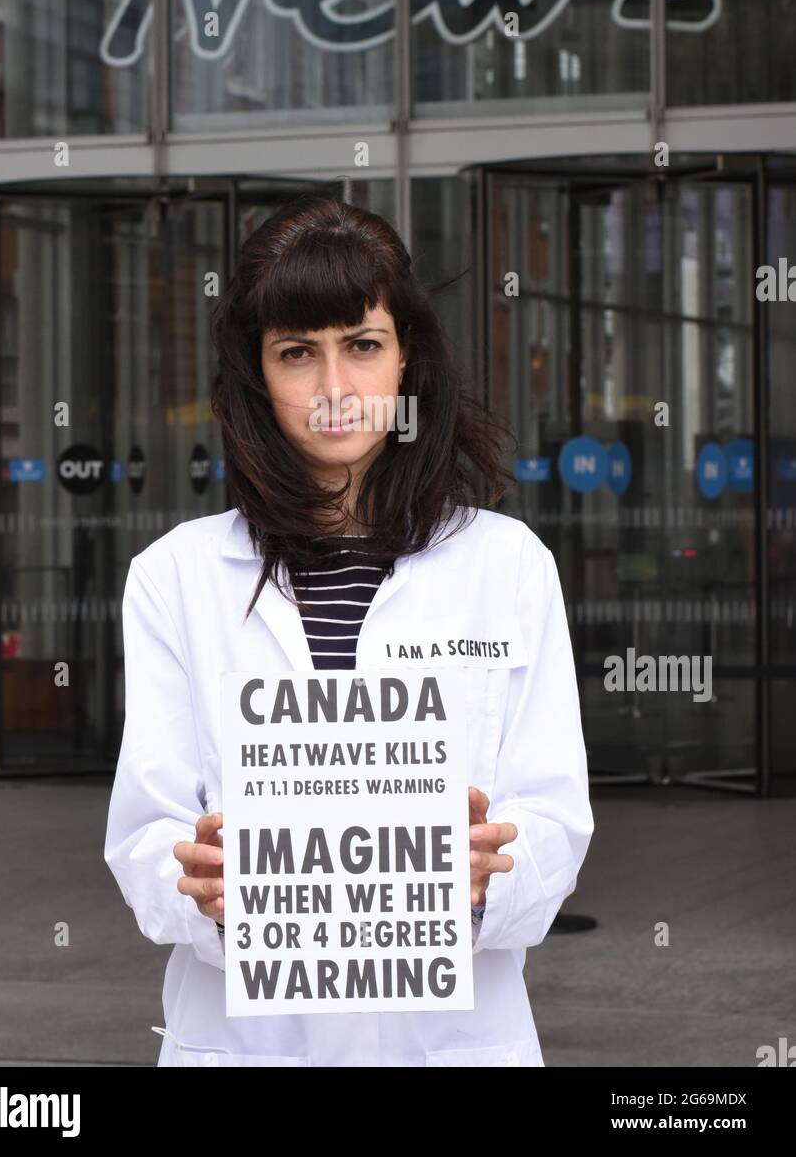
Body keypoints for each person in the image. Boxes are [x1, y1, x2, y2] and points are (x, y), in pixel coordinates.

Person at [104, 193, 594, 1067]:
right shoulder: (174, 578)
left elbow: (553, 814)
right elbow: (145, 834)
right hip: (246, 1042)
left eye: (362, 346)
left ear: (405, 359)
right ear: (257, 375)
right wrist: (200, 884)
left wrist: (488, 877)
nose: (334, 391)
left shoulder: (506, 566)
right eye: (298, 354)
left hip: (453, 1042)